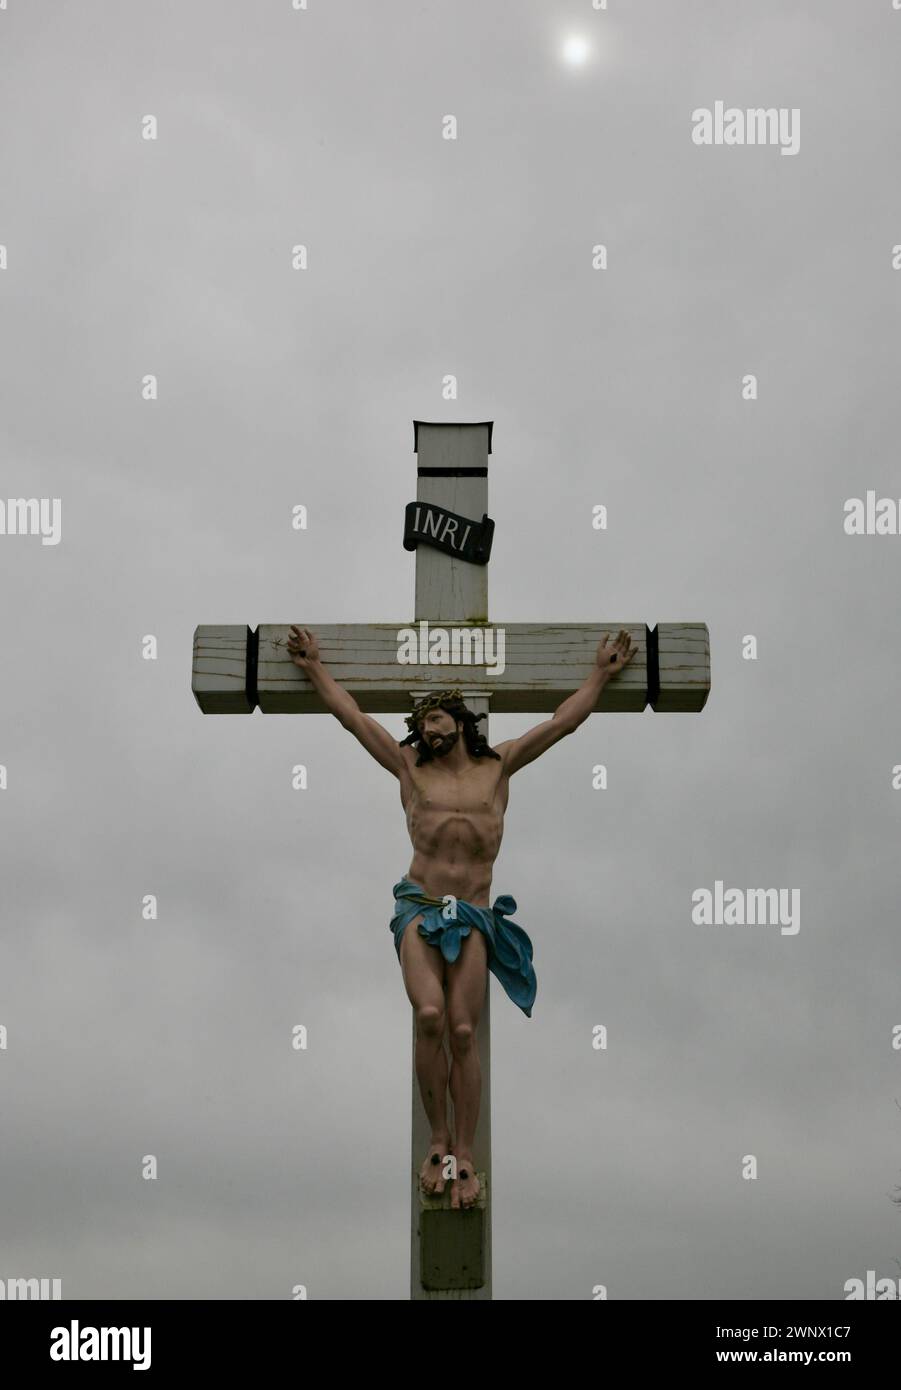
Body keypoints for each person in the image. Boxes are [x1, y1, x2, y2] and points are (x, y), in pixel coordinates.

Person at [285, 624, 636, 1210]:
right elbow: (353, 719)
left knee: (463, 1029)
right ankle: (438, 1139)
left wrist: (600, 673)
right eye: (424, 720)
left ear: (462, 722)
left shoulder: (498, 768)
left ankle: (465, 1153)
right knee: (429, 1015)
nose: (430, 725)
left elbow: (561, 723)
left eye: (441, 716)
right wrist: (316, 667)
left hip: (471, 913)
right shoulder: (407, 768)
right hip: (420, 908)